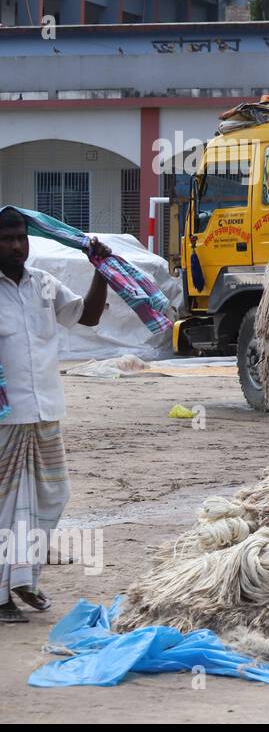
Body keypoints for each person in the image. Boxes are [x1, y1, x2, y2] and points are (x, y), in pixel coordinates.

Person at [0, 205, 110, 624]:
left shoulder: (44, 285)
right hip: (5, 418)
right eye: (6, 239)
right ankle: (3, 594)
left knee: (52, 495)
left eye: (20, 238)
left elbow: (89, 315)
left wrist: (100, 270)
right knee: (6, 506)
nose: (15, 246)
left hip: (45, 411)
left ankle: (23, 579)